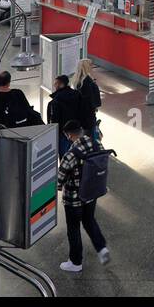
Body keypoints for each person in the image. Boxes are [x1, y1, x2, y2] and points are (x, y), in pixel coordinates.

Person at [56, 121, 110, 272]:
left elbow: (60, 180)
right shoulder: (97, 144)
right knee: (89, 220)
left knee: (73, 228)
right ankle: (101, 248)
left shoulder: (71, 155)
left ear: (69, 135)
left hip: (73, 199)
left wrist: (59, 186)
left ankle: (75, 262)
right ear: (81, 130)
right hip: (91, 193)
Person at [47, 74, 82, 158]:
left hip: (63, 133)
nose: (54, 85)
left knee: (64, 156)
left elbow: (53, 120)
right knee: (77, 153)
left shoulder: (55, 102)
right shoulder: (77, 94)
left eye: (55, 83)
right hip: (76, 130)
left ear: (61, 84)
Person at [74, 58, 103, 144]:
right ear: (86, 67)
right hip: (88, 117)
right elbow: (90, 100)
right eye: (90, 65)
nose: (92, 67)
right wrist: (94, 107)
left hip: (82, 116)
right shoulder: (87, 82)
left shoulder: (79, 81)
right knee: (90, 137)